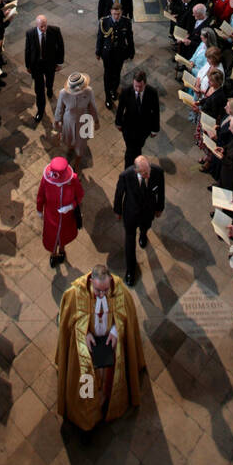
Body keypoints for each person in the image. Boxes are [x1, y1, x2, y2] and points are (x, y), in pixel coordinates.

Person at [55, 263, 145, 432]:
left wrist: (115, 331)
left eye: (105, 290)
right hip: (88, 347)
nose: (102, 295)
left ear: (110, 280)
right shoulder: (76, 293)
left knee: (108, 378)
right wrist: (85, 333)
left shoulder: (119, 291)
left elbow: (126, 316)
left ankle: (106, 402)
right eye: (98, 291)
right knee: (86, 379)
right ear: (92, 283)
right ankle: (87, 411)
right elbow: (68, 320)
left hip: (108, 346)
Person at [113, 154, 165, 286]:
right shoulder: (125, 176)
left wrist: (159, 208)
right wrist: (118, 210)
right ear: (136, 171)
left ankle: (143, 234)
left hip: (148, 212)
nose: (147, 175)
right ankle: (131, 270)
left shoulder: (157, 172)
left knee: (146, 227)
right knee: (129, 241)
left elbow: (161, 191)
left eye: (148, 171)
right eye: (143, 173)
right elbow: (119, 194)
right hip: (131, 213)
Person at [36, 156, 85, 268]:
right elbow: (41, 196)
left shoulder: (73, 180)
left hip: (67, 218)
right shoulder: (46, 180)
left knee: (63, 236)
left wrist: (71, 206)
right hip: (50, 217)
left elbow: (80, 195)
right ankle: (53, 254)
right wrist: (39, 209)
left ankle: (62, 251)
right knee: (51, 238)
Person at [24, 14, 65, 126]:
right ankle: (40, 110)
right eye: (41, 26)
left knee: (50, 80)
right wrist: (28, 66)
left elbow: (60, 47)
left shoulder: (55, 30)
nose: (43, 28)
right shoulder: (30, 33)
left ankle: (50, 89)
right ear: (36, 25)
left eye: (45, 25)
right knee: (39, 89)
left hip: (50, 64)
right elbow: (28, 50)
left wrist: (60, 63)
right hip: (36, 65)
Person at [114, 68, 160, 167]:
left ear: (145, 84)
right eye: (136, 86)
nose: (138, 89)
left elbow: (156, 111)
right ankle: (130, 170)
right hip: (128, 128)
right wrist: (118, 122)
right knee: (132, 150)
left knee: (137, 147)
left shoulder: (152, 93)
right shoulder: (126, 91)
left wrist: (155, 129)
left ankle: (133, 168)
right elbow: (120, 108)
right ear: (133, 83)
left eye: (140, 87)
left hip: (144, 129)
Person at [53, 71, 100, 166]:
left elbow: (92, 107)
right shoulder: (63, 93)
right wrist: (57, 121)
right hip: (68, 121)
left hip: (84, 122)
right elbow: (59, 109)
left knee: (81, 145)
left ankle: (77, 164)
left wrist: (96, 121)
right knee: (68, 140)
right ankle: (71, 147)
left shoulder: (89, 91)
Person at [95, 3, 135, 108]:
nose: (116, 16)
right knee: (107, 74)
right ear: (111, 12)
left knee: (117, 73)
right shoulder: (104, 22)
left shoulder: (126, 22)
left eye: (118, 14)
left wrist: (131, 51)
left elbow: (129, 38)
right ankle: (108, 97)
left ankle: (113, 90)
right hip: (107, 53)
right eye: (114, 14)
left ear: (121, 13)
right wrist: (98, 52)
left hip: (120, 53)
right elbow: (100, 37)